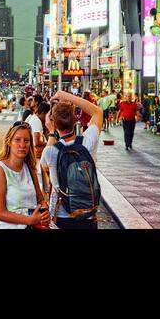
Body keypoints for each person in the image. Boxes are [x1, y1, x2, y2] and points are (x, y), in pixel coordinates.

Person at [42, 90, 103, 229]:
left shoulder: (51, 151)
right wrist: (66, 96)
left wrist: (51, 132)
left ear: (54, 124)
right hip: (87, 214)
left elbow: (43, 167)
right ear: (75, 120)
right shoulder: (87, 142)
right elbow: (97, 112)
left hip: (62, 216)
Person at [0, 121, 50, 229]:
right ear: (9, 142)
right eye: (17, 140)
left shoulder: (30, 168)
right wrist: (29, 220)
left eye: (26, 141)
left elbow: (40, 199)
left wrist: (45, 213)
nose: (22, 145)